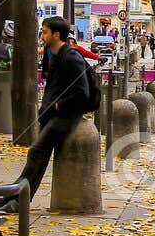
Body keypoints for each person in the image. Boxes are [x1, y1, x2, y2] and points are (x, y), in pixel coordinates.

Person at [18, 16, 97, 198]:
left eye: (45, 33)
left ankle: (17, 199)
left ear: (56, 35)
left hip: (65, 117)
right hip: (51, 114)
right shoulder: (53, 54)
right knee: (37, 156)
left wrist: (57, 106)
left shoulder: (71, 57)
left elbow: (82, 93)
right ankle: (16, 198)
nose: (42, 36)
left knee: (36, 153)